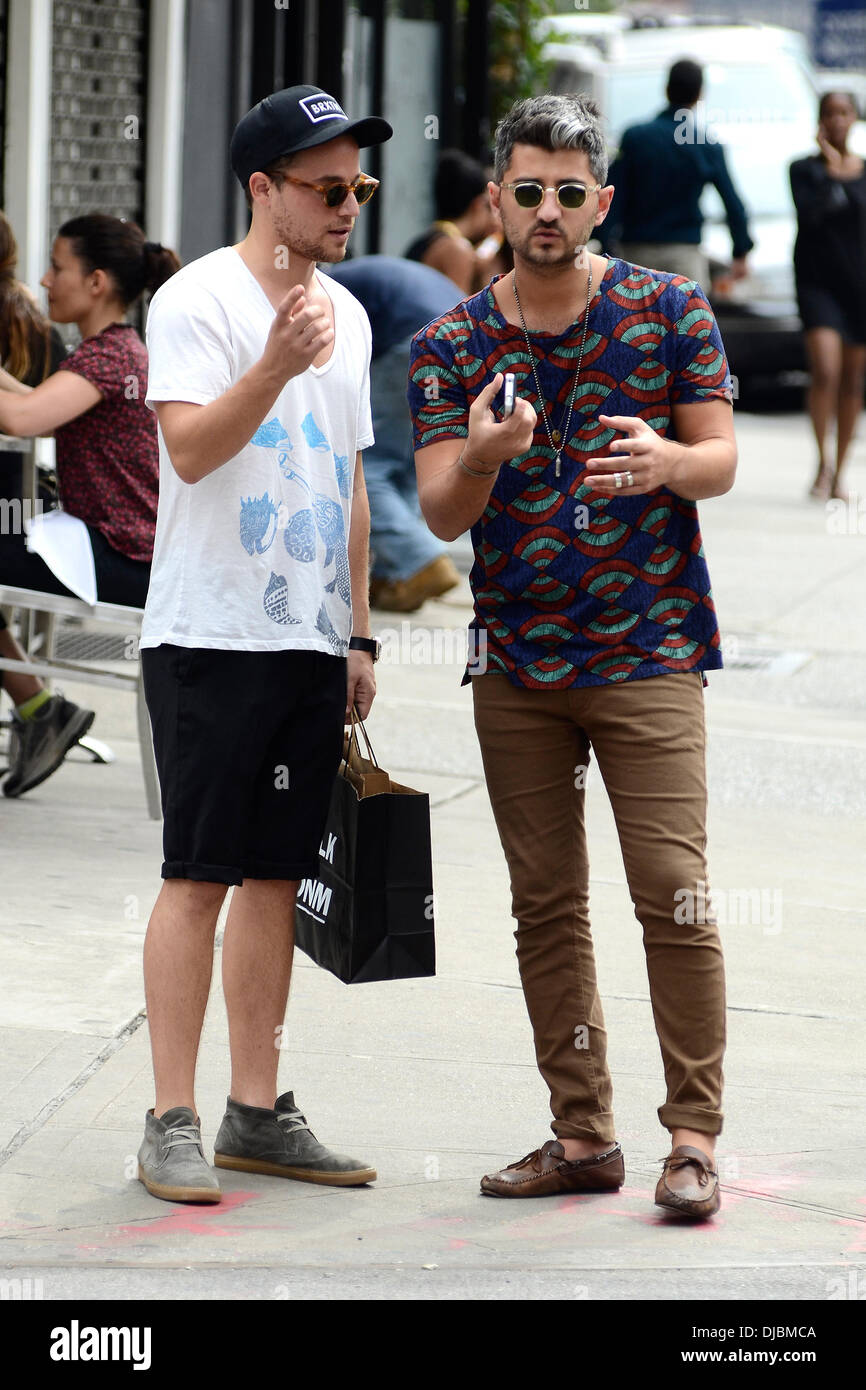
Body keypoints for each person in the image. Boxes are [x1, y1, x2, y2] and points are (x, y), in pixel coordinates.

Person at [408, 93, 736, 1220]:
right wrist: (489, 458)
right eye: (527, 190)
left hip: (648, 646)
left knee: (674, 890)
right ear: (495, 196)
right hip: (518, 666)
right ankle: (581, 1133)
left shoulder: (669, 309)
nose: (546, 211)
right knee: (544, 903)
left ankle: (690, 1137)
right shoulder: (449, 342)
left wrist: (664, 463)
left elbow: (721, 458)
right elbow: (442, 514)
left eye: (568, 193)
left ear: (600, 201)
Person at [136, 84, 391, 1204]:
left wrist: (361, 632)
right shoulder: (197, 301)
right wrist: (275, 364)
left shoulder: (352, 314)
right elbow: (190, 452)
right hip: (207, 631)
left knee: (277, 878)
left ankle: (255, 1108)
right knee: (196, 875)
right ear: (262, 188)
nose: (347, 208)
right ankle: (169, 1118)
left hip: (303, 637)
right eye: (326, 188)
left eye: (359, 187)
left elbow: (348, 483)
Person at [0, 213, 179, 798]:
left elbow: (22, 419)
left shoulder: (109, 358)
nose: (46, 281)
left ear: (97, 281)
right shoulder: (117, 351)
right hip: (125, 552)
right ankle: (37, 709)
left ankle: (38, 710)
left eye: (58, 267)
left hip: (123, 561)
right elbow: (36, 400)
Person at [326, 254, 462, 610]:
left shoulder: (325, 285)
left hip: (414, 342)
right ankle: (399, 571)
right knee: (405, 464)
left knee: (368, 468)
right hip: (459, 350)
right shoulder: (375, 273)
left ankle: (420, 559)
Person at [601, 59, 753, 287]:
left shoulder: (635, 138)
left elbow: (613, 196)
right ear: (700, 94)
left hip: (636, 256)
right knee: (689, 320)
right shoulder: (706, 145)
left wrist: (604, 245)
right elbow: (733, 204)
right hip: (686, 257)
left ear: (666, 89)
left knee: (634, 321)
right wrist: (740, 250)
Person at [789, 92, 866, 502]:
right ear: (819, 122)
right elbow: (811, 216)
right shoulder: (803, 170)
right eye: (829, 114)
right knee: (826, 370)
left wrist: (843, 173)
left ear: (854, 119)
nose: (837, 121)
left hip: (859, 287)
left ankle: (842, 470)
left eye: (844, 113)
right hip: (818, 286)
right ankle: (822, 461)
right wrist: (831, 172)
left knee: (853, 381)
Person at [405, 149, 502, 294]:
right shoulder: (458, 250)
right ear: (478, 204)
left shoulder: (428, 240)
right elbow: (458, 314)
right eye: (490, 206)